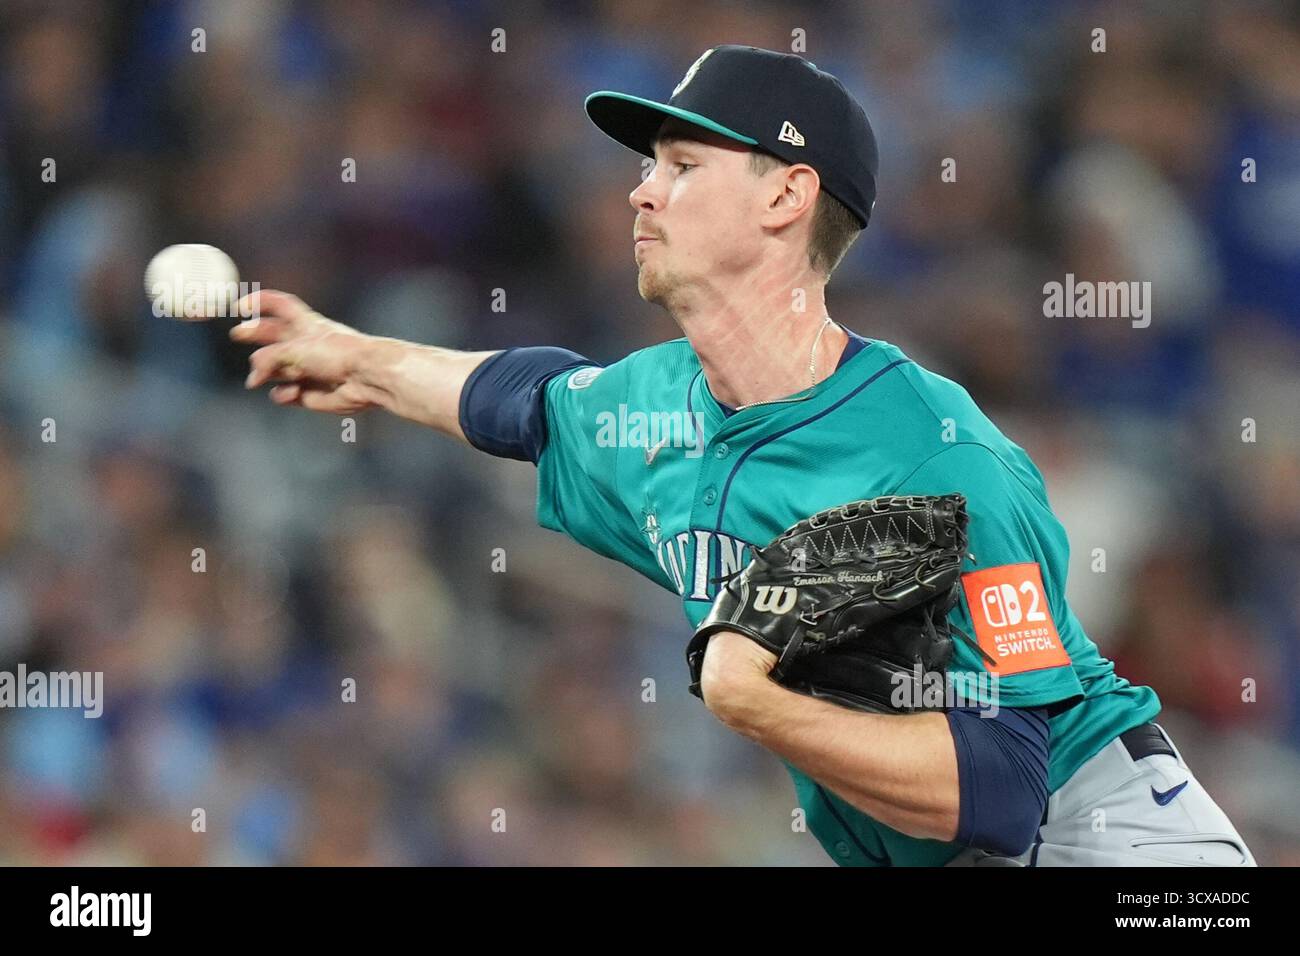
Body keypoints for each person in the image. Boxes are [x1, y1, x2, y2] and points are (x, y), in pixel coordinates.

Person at [232, 45, 1255, 866]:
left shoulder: (941, 460)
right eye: (646, 168)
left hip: (1108, 833)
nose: (641, 194)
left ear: (785, 198)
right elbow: (521, 401)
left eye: (680, 167)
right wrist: (359, 358)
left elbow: (1000, 790)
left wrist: (750, 698)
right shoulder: (650, 408)